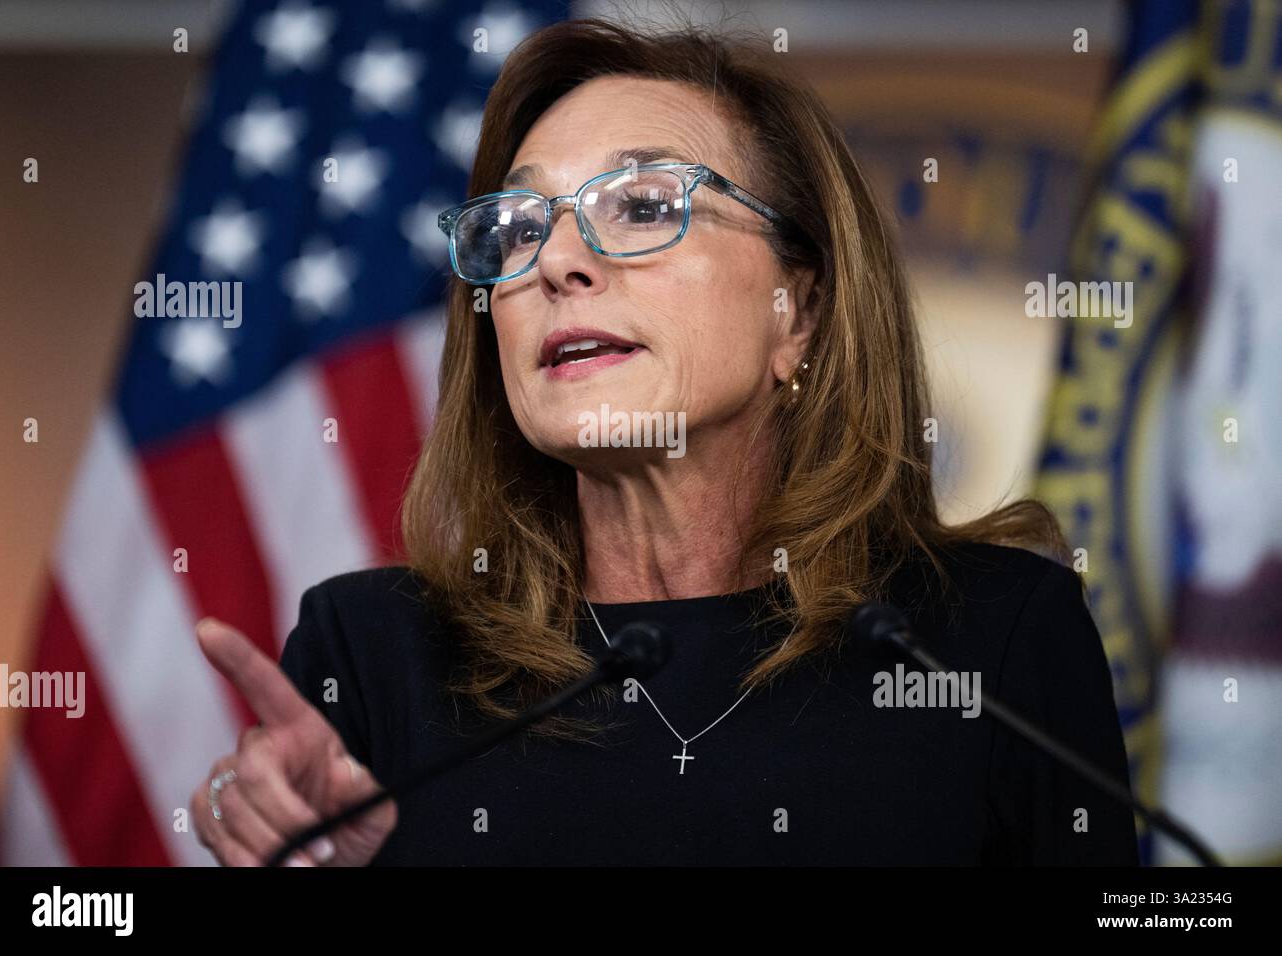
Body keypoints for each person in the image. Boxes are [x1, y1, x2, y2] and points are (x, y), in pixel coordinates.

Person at [191, 18, 1139, 867]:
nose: (556, 262)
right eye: (518, 227)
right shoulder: (373, 652)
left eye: (642, 206)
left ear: (798, 311)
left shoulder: (994, 641)